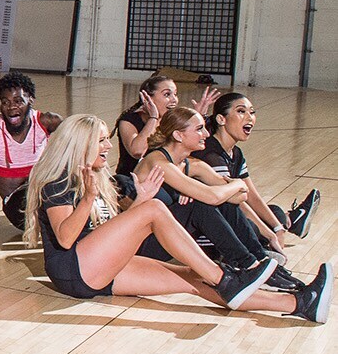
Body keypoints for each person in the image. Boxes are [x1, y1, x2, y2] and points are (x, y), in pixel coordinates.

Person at [23, 115, 330, 321]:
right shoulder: (59, 182)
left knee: (191, 279)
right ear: (80, 145)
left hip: (97, 266)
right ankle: (225, 278)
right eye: (101, 141)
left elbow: (103, 235)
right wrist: (92, 197)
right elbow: (65, 237)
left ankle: (301, 304)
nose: (107, 146)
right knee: (156, 210)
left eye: (106, 139)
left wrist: (137, 204)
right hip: (72, 271)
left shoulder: (101, 178)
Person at [132, 107, 303, 291]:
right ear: (178, 135)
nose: (206, 133)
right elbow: (212, 196)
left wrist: (230, 188)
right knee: (201, 205)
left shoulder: (191, 165)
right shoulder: (158, 162)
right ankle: (249, 266)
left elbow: (240, 197)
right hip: (140, 245)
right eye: (199, 129)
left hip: (170, 239)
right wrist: (236, 183)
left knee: (224, 202)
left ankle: (260, 260)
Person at [195, 91, 320, 246]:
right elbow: (236, 203)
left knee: (275, 214)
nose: (250, 117)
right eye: (241, 111)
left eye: (252, 112)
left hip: (230, 217)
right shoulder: (212, 154)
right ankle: (288, 225)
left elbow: (252, 196)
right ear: (221, 119)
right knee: (253, 227)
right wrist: (270, 234)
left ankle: (288, 222)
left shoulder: (236, 153)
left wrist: (277, 228)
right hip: (209, 231)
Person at [0, 71, 62, 230]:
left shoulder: (48, 122)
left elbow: (76, 141)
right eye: (5, 102)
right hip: (17, 208)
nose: (11, 107)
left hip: (44, 197)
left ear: (30, 100)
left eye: (18, 101)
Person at [115, 73, 219, 177]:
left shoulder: (170, 119)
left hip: (165, 178)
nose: (174, 100)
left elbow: (193, 146)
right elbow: (137, 152)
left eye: (175, 94)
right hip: (133, 183)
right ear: (146, 98)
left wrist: (199, 118)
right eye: (167, 94)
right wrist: (153, 118)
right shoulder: (128, 121)